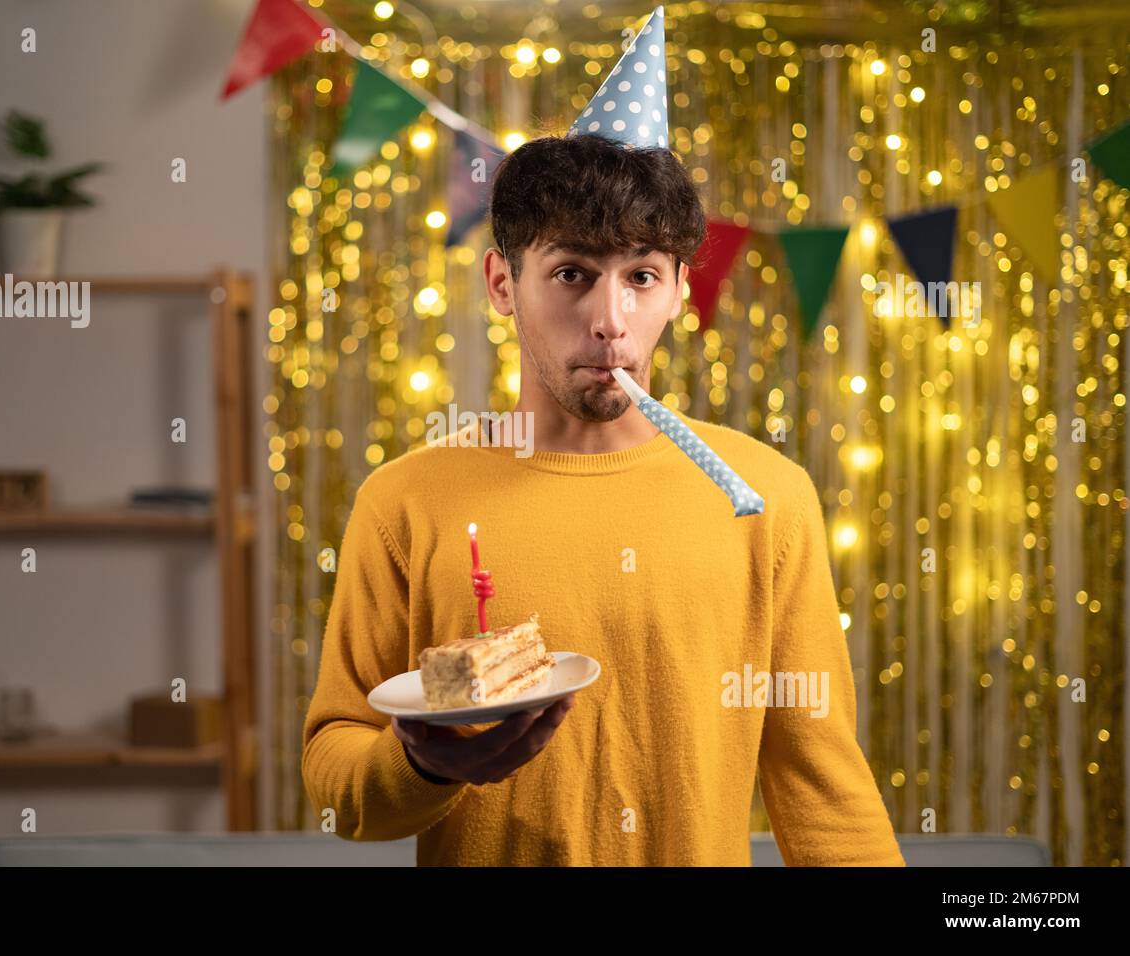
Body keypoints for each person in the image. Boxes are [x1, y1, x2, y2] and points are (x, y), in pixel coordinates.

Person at [300, 131, 905, 866]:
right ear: (501, 284)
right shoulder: (403, 502)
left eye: (641, 278)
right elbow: (336, 778)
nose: (610, 322)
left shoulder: (765, 498)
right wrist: (425, 766)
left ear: (680, 289)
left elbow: (822, 784)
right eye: (572, 274)